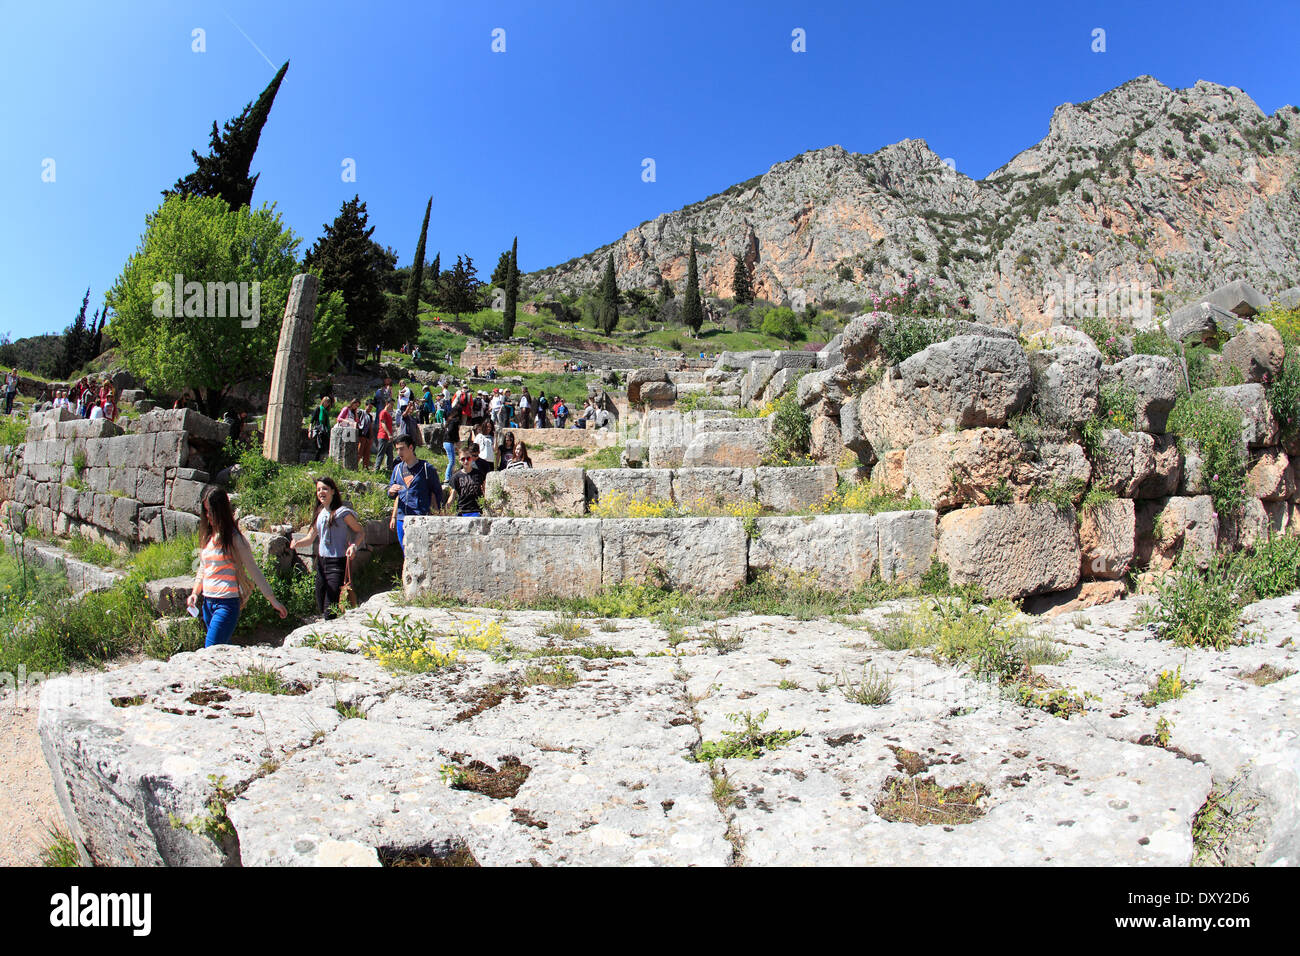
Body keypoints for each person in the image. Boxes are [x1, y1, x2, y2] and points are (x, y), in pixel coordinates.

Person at [187, 487, 286, 646]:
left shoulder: (235, 539)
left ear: (221, 512)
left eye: (211, 512)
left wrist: (272, 600)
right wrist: (194, 593)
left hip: (226, 604)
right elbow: (203, 569)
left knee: (210, 649)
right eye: (205, 512)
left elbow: (253, 570)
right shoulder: (210, 537)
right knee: (221, 651)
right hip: (207, 603)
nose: (208, 516)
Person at [291, 477, 364, 619]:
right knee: (320, 601)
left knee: (330, 608)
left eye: (324, 489)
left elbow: (360, 531)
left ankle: (332, 636)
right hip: (321, 563)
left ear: (332, 491)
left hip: (337, 563)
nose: (321, 492)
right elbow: (310, 537)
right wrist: (296, 543)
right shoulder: (320, 513)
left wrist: (354, 546)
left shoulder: (343, 512)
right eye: (318, 489)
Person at [387, 434, 445, 549]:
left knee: (419, 551)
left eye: (402, 448)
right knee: (405, 552)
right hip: (401, 519)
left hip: (420, 517)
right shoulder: (397, 469)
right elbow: (392, 494)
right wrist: (391, 491)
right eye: (397, 449)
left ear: (411, 448)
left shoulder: (426, 468)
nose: (399, 452)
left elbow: (436, 493)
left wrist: (436, 515)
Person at [448, 442, 489, 517]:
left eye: (468, 458)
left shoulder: (479, 474)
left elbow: (484, 490)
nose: (466, 461)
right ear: (459, 460)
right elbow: (453, 495)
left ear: (472, 458)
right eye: (463, 459)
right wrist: (446, 509)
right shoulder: (456, 477)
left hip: (476, 510)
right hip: (462, 510)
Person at [374, 399, 396, 473]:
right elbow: (383, 424)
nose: (392, 406)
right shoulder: (383, 412)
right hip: (383, 436)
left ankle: (389, 470)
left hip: (388, 438)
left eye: (393, 405)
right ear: (387, 403)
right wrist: (389, 434)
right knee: (381, 454)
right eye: (391, 404)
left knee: (390, 455)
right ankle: (376, 470)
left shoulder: (388, 414)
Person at [309, 395, 333, 461]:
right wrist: (310, 430)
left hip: (324, 431)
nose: (326, 404)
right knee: (318, 446)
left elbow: (326, 423)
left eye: (328, 402)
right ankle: (315, 461)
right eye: (325, 402)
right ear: (323, 401)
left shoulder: (326, 412)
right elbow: (312, 420)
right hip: (318, 429)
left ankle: (319, 461)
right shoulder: (318, 409)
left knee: (323, 446)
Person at [356, 402, 374, 470]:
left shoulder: (370, 416)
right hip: (361, 435)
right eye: (369, 407)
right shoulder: (360, 412)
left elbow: (370, 427)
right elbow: (357, 422)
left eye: (371, 408)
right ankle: (355, 466)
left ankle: (365, 467)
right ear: (365, 406)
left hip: (367, 436)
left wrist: (371, 437)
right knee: (359, 452)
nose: (370, 409)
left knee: (367, 453)